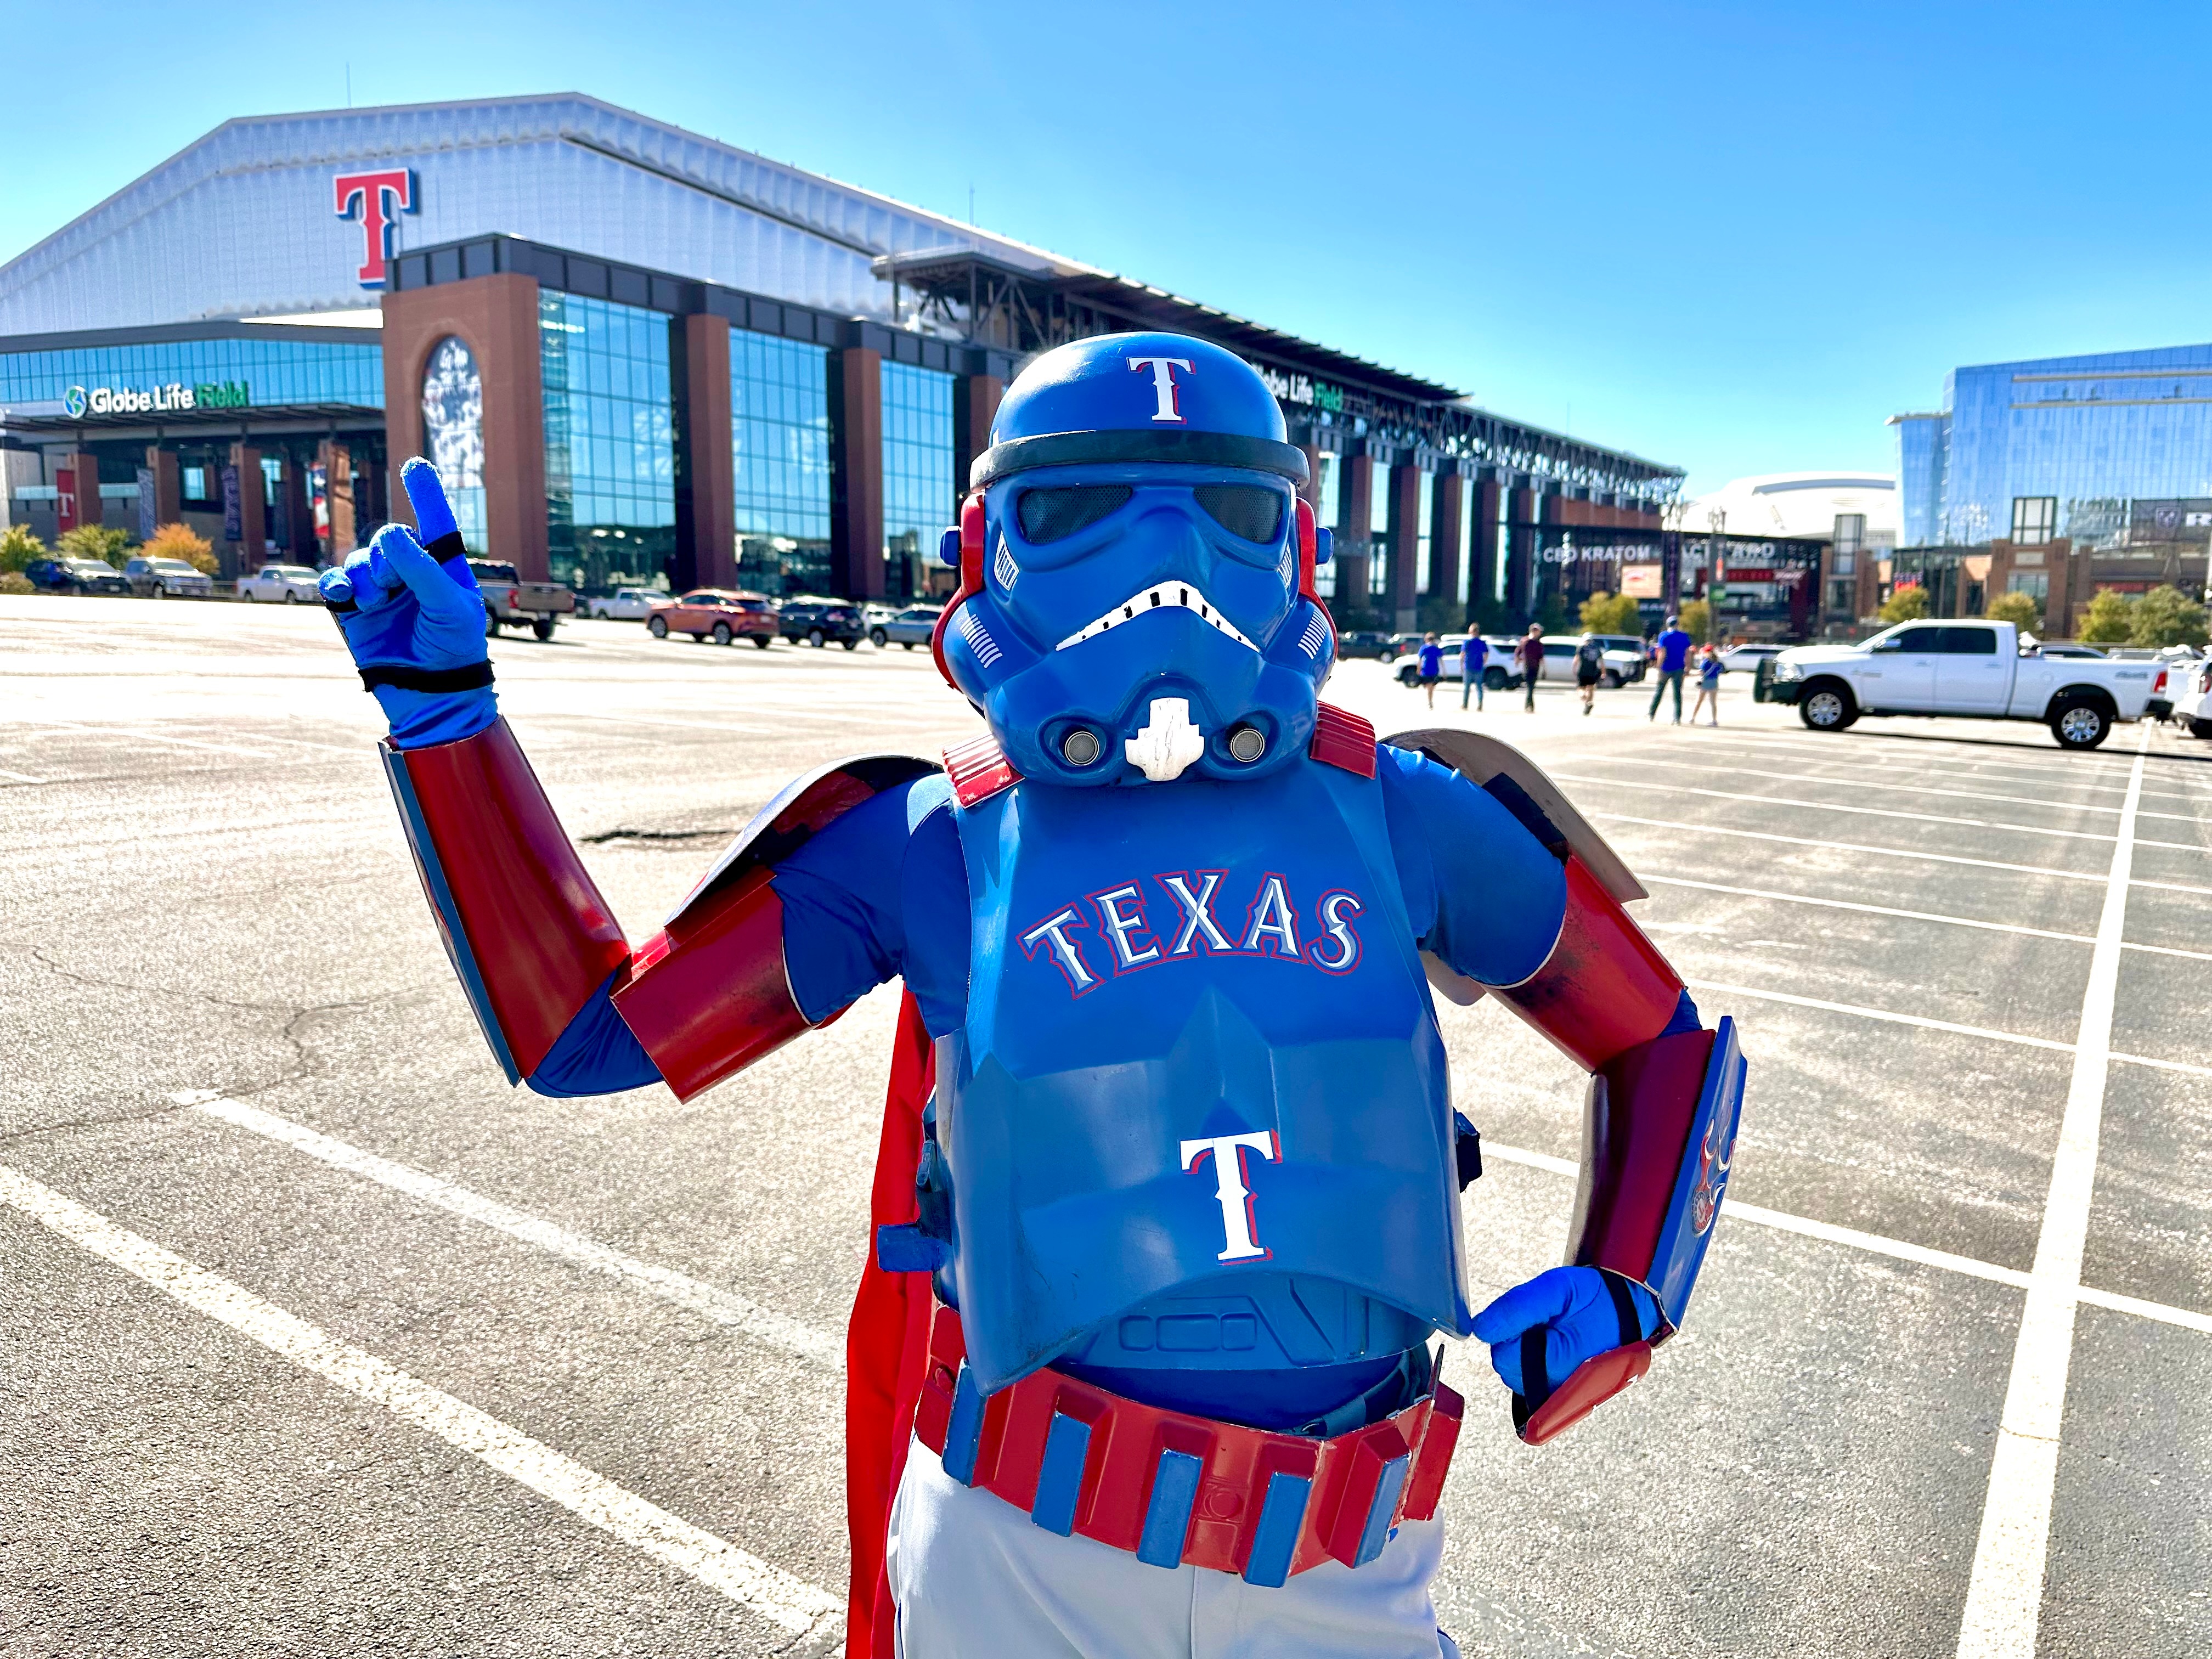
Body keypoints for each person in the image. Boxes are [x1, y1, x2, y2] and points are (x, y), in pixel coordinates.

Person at [319, 334, 1745, 1659]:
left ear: (1292, 537)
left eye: (1222, 510)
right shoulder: (938, 837)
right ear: (986, 545)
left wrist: (1636, 1279)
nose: (1164, 561)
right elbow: (588, 1036)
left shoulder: (1403, 815)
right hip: (1023, 1561)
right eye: (1085, 511)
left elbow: (1666, 1045)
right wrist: (448, 716)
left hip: (1343, 1567)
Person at [1648, 613, 1693, 723]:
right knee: (1677, 693)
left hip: (1666, 667)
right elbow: (1687, 653)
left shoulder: (1664, 636)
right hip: (1679, 668)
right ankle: (1677, 718)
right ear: (1677, 624)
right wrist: (1688, 667)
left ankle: (1651, 714)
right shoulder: (1684, 636)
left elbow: (1662, 653)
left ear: (1668, 624)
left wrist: (1659, 667)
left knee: (1659, 691)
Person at [1573, 631, 1605, 716]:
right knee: (1591, 688)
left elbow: (1576, 659)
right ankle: (1589, 703)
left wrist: (1574, 669)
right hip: (1593, 672)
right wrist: (1603, 672)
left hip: (1583, 672)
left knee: (1581, 689)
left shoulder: (1582, 648)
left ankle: (1586, 700)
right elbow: (1601, 662)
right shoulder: (1597, 649)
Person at [1690, 643, 1722, 726]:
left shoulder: (1706, 661)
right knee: (1713, 703)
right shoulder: (1717, 662)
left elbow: (1701, 672)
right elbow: (1720, 671)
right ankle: (1714, 720)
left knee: (1699, 701)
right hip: (1714, 682)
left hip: (1705, 682)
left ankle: (1693, 718)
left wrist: (1690, 674)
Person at [1516, 624, 1544, 712]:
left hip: (1535, 667)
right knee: (1530, 687)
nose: (1540, 633)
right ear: (1534, 631)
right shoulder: (1527, 642)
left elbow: (1541, 657)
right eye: (1539, 631)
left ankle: (1529, 705)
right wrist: (1518, 660)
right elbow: (1518, 652)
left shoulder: (1538, 643)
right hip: (1528, 667)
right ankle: (1530, 706)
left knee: (1531, 687)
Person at [1459, 633, 1489, 710]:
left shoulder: (1467, 642)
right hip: (1479, 666)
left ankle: (1465, 705)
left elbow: (1463, 654)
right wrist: (1484, 662)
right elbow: (1486, 653)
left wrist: (1461, 664)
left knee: (1467, 687)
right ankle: (1480, 704)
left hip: (1468, 666)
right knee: (1479, 686)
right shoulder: (1482, 643)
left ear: (1471, 632)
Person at [1417, 631, 1443, 708]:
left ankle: (1430, 702)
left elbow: (1420, 660)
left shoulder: (1424, 648)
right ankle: (1430, 701)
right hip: (1434, 670)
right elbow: (1441, 660)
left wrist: (1418, 668)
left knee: (1429, 687)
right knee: (1431, 687)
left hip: (1426, 670)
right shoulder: (1436, 648)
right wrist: (1444, 671)